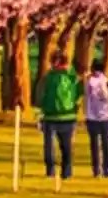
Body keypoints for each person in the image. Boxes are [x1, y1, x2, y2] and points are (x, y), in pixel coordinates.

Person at [36, 51, 82, 181]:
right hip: (62, 117)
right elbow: (79, 93)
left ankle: (57, 172)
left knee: (55, 148)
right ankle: (62, 172)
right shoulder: (71, 77)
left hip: (56, 117)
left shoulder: (50, 78)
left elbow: (39, 96)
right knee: (62, 147)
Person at [84, 58, 108, 178]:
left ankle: (98, 169)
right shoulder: (105, 80)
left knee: (97, 145)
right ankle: (105, 168)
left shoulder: (89, 80)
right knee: (104, 144)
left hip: (95, 117)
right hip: (102, 117)